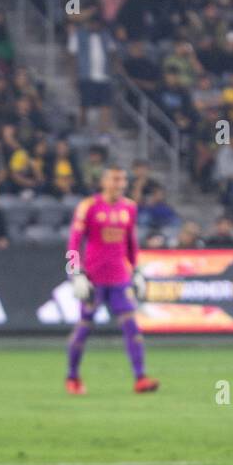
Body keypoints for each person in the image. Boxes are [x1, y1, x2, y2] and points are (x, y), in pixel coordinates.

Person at [64, 165, 159, 396]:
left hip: (119, 278)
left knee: (131, 326)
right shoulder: (89, 206)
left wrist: (136, 270)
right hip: (94, 278)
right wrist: (75, 273)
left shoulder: (129, 208)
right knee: (84, 326)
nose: (120, 184)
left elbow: (131, 243)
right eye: (115, 180)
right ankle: (73, 377)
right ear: (104, 182)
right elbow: (74, 242)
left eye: (123, 180)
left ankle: (140, 378)